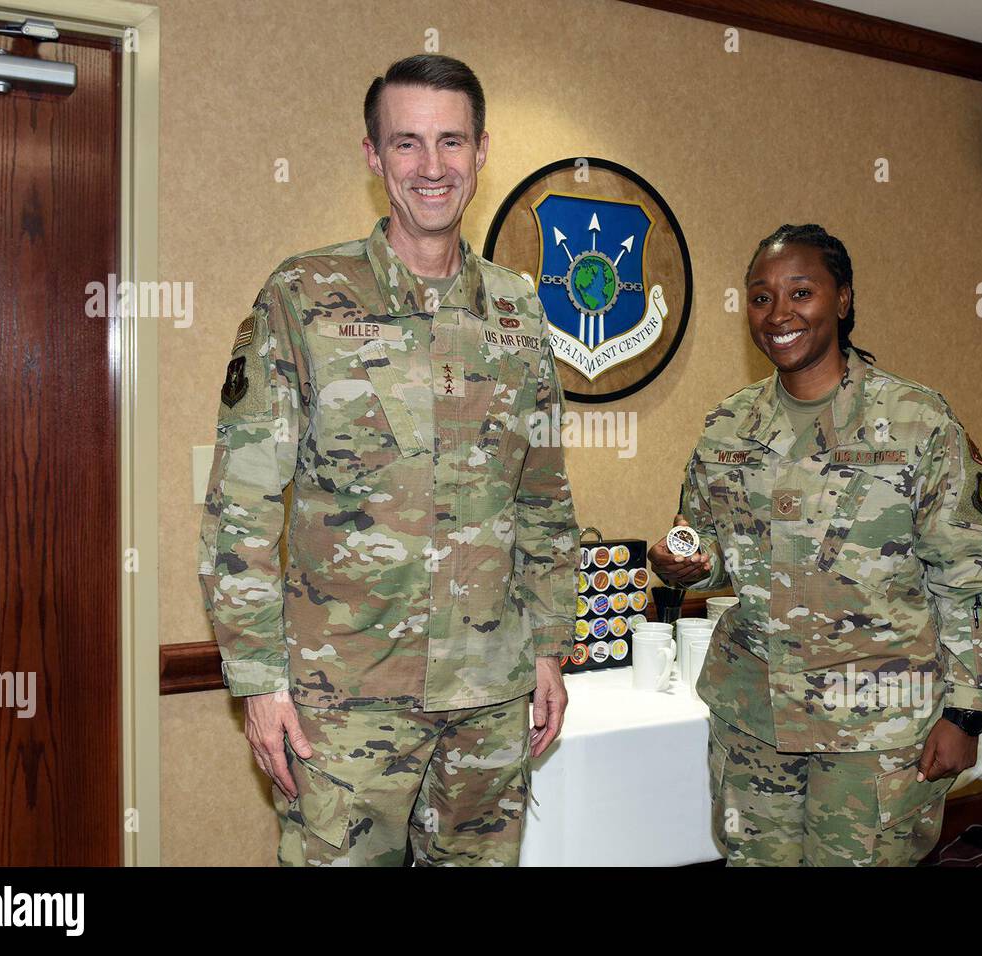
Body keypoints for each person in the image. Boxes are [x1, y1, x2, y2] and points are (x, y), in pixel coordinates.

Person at [197, 54, 579, 866]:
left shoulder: (519, 310)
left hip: (491, 692)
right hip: (345, 702)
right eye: (406, 144)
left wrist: (548, 645)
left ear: (481, 153)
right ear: (373, 157)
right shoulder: (302, 298)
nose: (431, 167)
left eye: (451, 142)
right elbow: (243, 506)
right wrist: (260, 684)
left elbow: (543, 496)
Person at [650, 223, 982, 866]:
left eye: (802, 292)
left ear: (842, 300)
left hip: (874, 732)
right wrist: (683, 563)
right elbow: (708, 546)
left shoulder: (916, 423)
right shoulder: (728, 426)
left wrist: (966, 715)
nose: (779, 313)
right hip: (753, 721)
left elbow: (975, 574)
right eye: (761, 297)